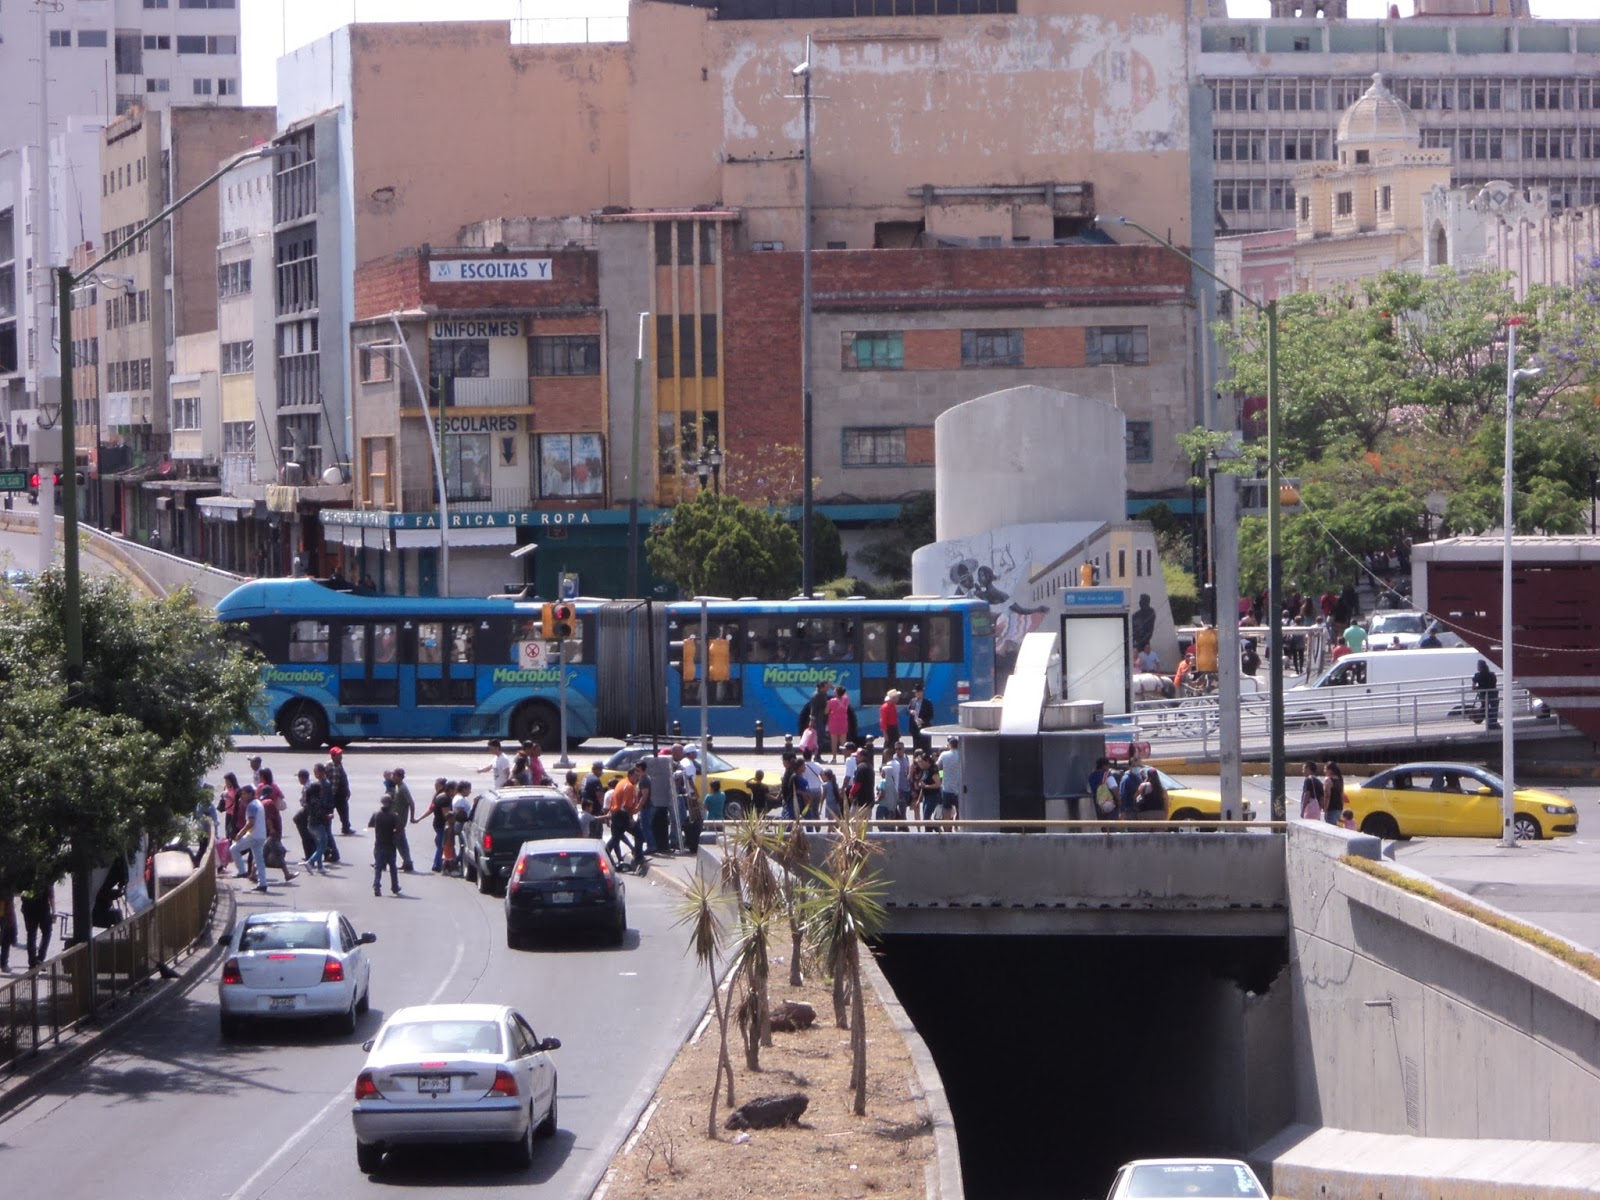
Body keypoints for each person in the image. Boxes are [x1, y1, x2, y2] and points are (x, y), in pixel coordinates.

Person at [234, 783, 270, 892]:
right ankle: (263, 884)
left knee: (234, 849)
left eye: (244, 794)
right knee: (259, 860)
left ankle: (242, 871)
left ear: (250, 794)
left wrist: (240, 833)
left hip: (253, 835)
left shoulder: (251, 806)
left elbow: (251, 822)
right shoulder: (258, 803)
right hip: (261, 835)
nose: (242, 796)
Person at [369, 794, 402, 897]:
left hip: (379, 844)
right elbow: (399, 828)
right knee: (392, 867)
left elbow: (370, 824)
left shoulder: (376, 814)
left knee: (378, 867)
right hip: (390, 844)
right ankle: (395, 887)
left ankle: (377, 886)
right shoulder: (394, 816)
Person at [21, 884, 54, 967]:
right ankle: (40, 958)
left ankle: (32, 963)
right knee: (47, 932)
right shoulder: (44, 874)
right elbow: (50, 893)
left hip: (28, 907)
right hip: (43, 907)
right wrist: (54, 910)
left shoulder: (25, 874)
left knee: (31, 934)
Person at [391, 767, 417, 872]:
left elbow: (411, 803)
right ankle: (407, 862)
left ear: (399, 777)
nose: (393, 777)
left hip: (399, 821)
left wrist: (412, 817)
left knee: (395, 841)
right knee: (401, 842)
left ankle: (382, 862)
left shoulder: (403, 788)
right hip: (396, 820)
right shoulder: (397, 787)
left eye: (394, 775)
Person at [327, 745, 354, 835]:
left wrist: (347, 790)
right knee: (328, 812)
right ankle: (326, 829)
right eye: (339, 755)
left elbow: (343, 778)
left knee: (344, 812)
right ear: (333, 756)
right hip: (332, 794)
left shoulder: (339, 765)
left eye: (341, 754)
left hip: (341, 794)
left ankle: (346, 828)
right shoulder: (329, 766)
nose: (341, 756)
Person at [936, 737, 962, 827]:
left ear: (950, 745)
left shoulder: (944, 754)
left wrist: (941, 775)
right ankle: (956, 824)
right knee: (959, 809)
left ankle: (947, 829)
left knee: (947, 809)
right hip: (958, 787)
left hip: (946, 787)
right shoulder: (961, 754)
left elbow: (938, 765)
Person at [826, 686, 851, 763]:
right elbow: (844, 693)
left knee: (834, 741)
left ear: (837, 693)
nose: (833, 691)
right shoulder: (846, 699)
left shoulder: (831, 701)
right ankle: (846, 758)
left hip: (834, 721)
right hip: (843, 721)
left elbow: (826, 712)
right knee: (843, 741)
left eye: (835, 691)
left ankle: (834, 758)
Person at [1473, 658, 1500, 729]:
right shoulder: (1492, 674)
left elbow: (1473, 687)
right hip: (1493, 694)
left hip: (1483, 695)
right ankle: (1493, 723)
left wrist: (1479, 687)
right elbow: (1494, 683)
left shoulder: (1477, 675)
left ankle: (1488, 723)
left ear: (1479, 667)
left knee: (1485, 708)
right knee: (1494, 709)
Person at [908, 685, 935, 753]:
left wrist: (923, 721)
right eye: (915, 692)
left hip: (924, 727)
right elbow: (907, 710)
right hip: (914, 728)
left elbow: (931, 715)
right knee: (916, 746)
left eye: (918, 692)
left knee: (925, 746)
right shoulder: (912, 701)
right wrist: (910, 711)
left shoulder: (927, 702)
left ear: (922, 692)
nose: (916, 694)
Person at [1323, 762, 1346, 827]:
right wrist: (1341, 808)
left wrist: (1325, 809)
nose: (1324, 771)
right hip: (1339, 808)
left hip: (1331, 808)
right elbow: (1342, 795)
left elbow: (1327, 796)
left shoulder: (1328, 780)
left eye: (1325, 769)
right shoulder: (1340, 779)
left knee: (1330, 829)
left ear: (1330, 770)